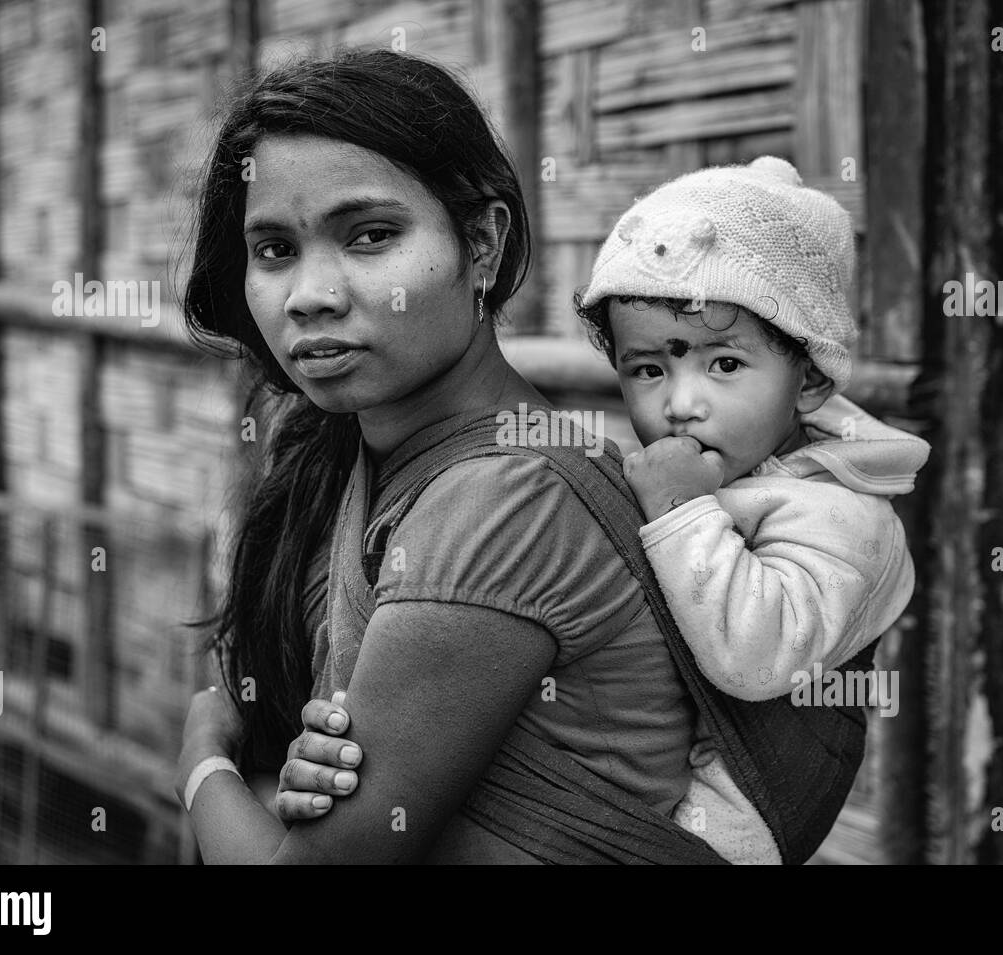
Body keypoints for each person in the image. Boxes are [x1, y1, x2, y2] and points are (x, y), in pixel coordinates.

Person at [277, 156, 931, 864]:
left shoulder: (845, 516)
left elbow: (754, 659)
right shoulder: (669, 474)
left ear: (808, 379)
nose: (681, 403)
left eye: (725, 365)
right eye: (649, 369)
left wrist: (681, 510)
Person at [173, 49, 715, 864]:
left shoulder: (506, 498)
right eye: (275, 249)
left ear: (483, 243)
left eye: (371, 235)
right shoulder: (365, 452)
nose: (309, 294)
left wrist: (200, 757)